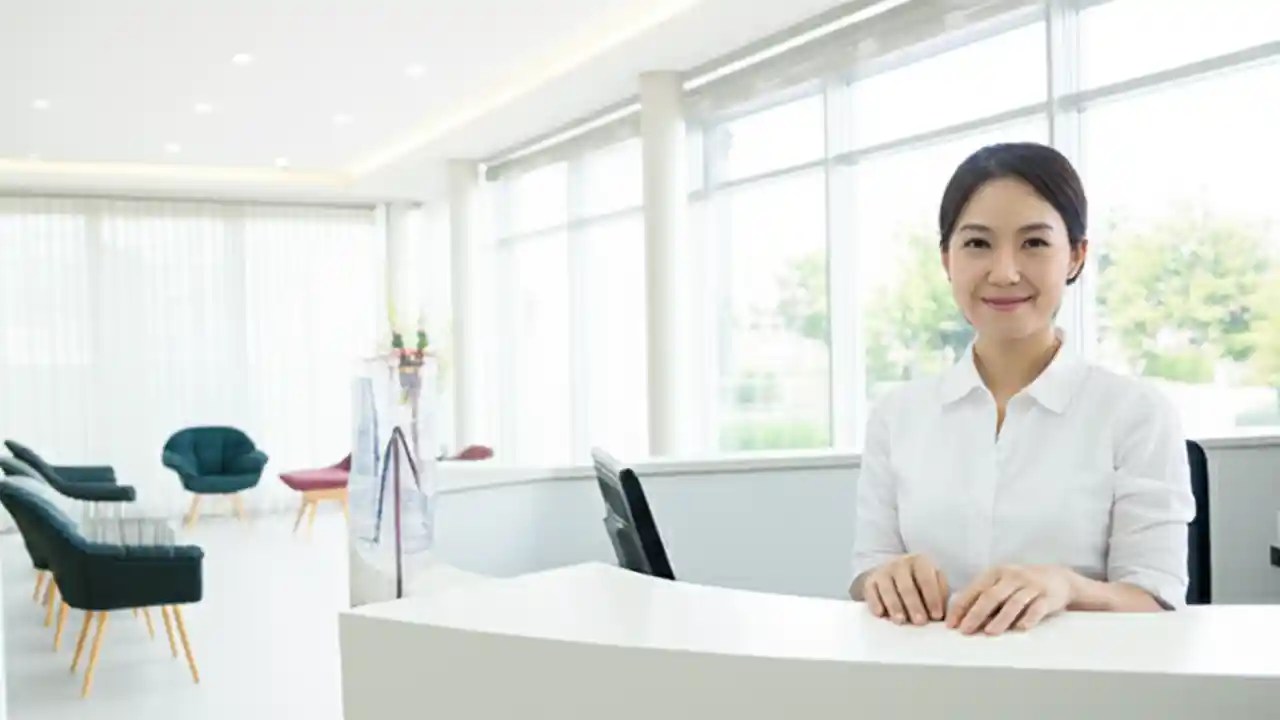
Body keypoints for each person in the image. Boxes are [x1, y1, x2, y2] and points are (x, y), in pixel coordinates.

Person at [848, 142, 1196, 636]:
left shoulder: (1136, 413)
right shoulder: (895, 415)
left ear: (1076, 256)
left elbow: (1157, 600)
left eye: (1033, 243)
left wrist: (1070, 587)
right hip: (928, 686)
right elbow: (869, 571)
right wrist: (885, 579)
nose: (1005, 271)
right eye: (977, 244)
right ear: (947, 259)